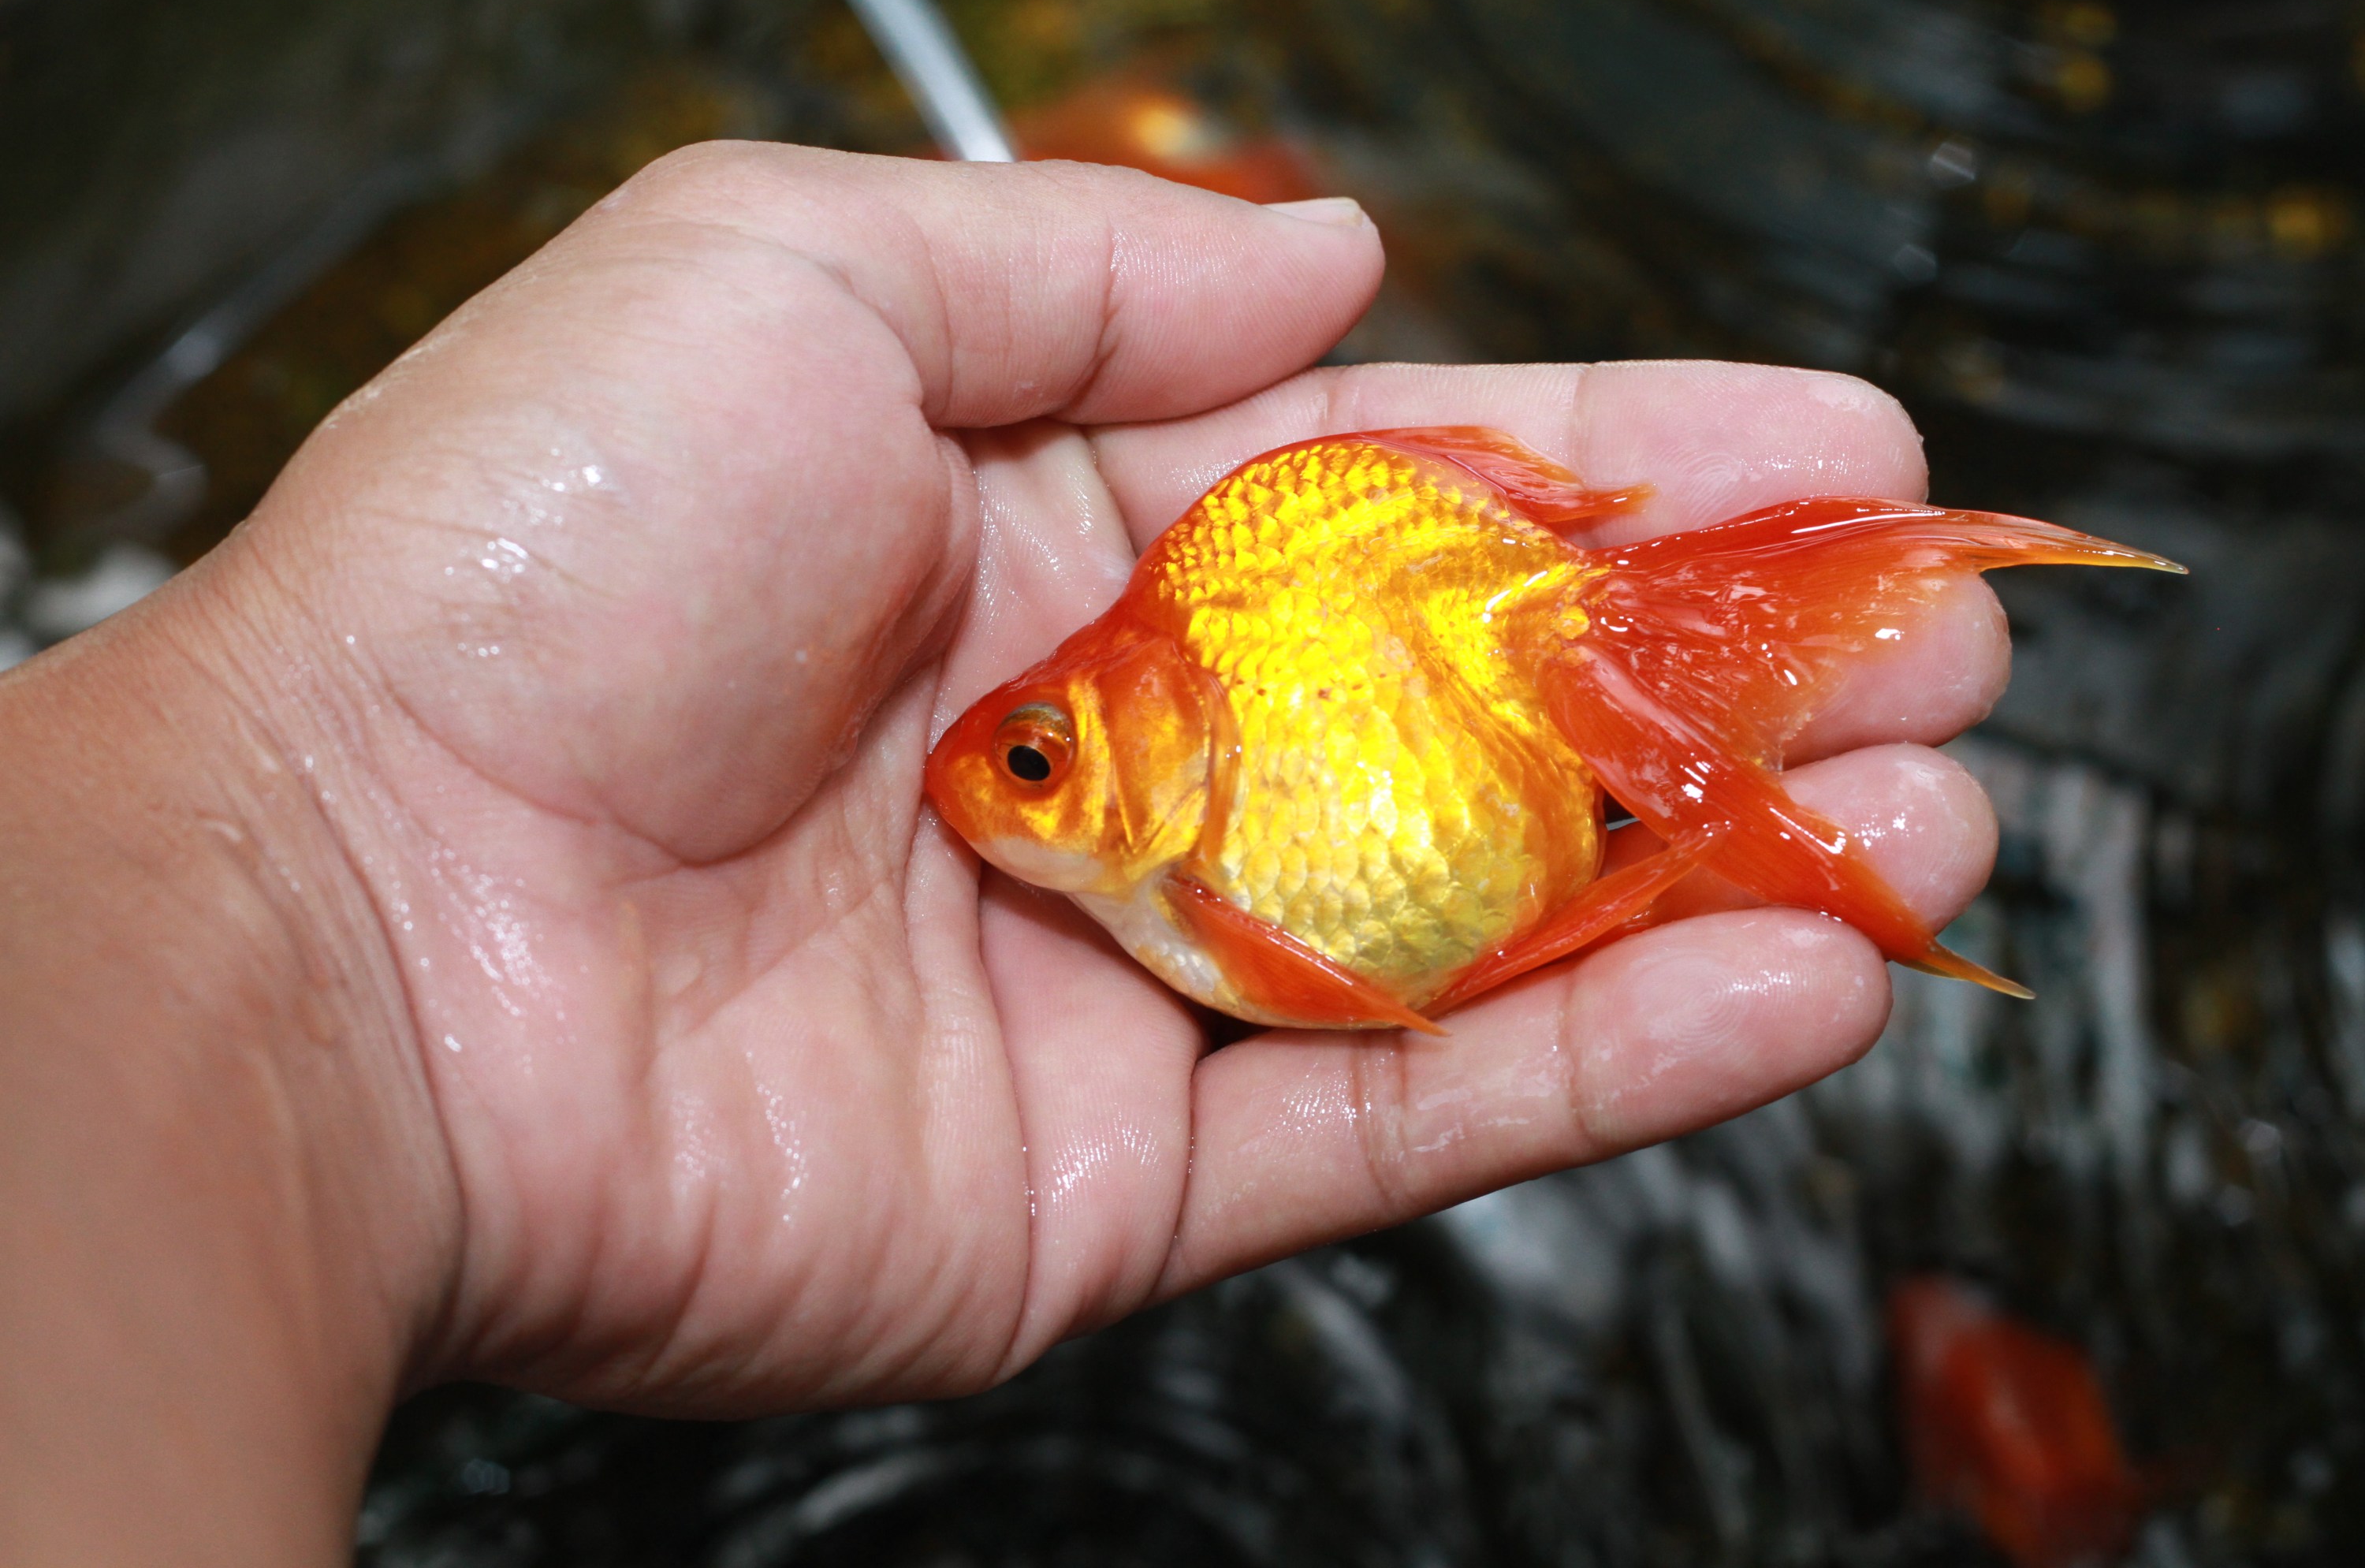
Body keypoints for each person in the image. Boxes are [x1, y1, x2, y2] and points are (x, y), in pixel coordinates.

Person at [0, 147, 2006, 1563]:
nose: (995, 800)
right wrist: (326, 818)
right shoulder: (1176, 823)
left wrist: (321, 854)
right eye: (1036, 759)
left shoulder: (1238, 703)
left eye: (1039, 760)